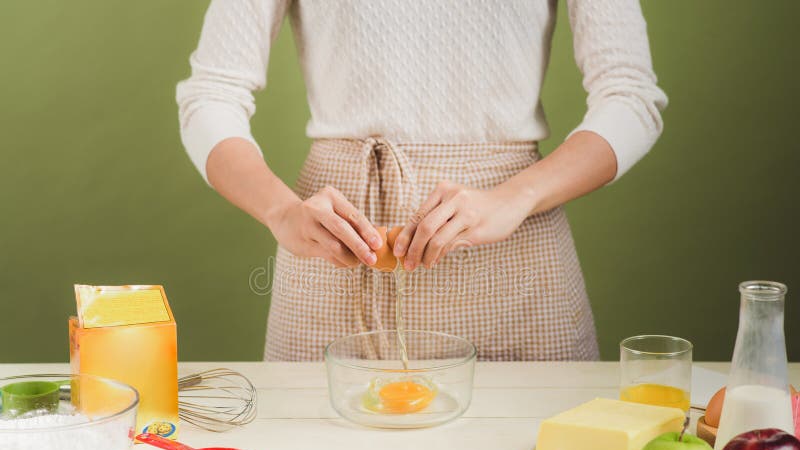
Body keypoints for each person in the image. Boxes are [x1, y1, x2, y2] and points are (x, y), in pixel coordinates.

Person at [177, 0, 666, 361]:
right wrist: (280, 210)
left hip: (513, 250)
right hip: (333, 247)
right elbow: (212, 95)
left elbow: (630, 96)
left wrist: (514, 198)